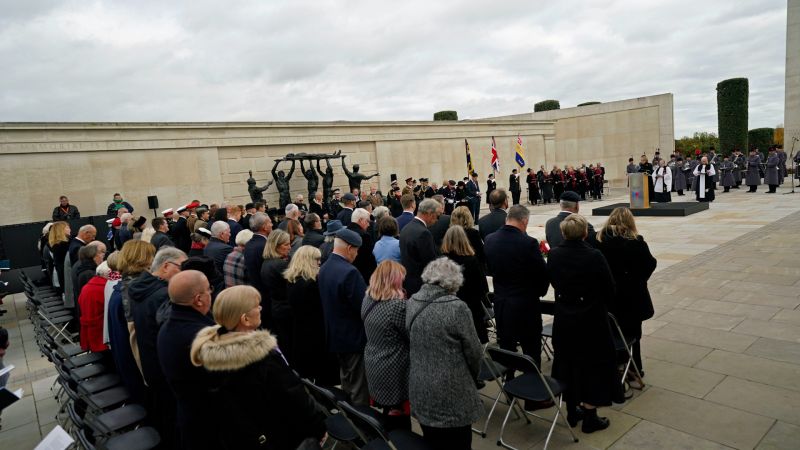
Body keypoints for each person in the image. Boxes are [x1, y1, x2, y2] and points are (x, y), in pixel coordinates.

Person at [189, 285, 327, 449]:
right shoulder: (264, 359)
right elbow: (294, 399)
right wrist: (319, 426)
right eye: (256, 306)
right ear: (245, 319)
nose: (260, 308)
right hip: (280, 436)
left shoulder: (211, 355)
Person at [547, 214, 620, 433]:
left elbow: (554, 281)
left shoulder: (554, 254)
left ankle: (572, 411)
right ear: (585, 233)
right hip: (591, 319)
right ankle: (589, 416)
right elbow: (610, 288)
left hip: (565, 317)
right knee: (592, 366)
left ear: (563, 233)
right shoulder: (594, 255)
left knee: (568, 362)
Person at [406, 257, 483, 449]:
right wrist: (473, 377)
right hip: (451, 393)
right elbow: (474, 352)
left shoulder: (412, 300)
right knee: (459, 443)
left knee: (432, 441)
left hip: (420, 387)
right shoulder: (457, 307)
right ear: (453, 282)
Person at [158, 270, 218, 449]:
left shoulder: (168, 326)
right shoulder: (200, 336)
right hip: (208, 421)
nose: (211, 293)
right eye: (208, 289)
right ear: (198, 299)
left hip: (188, 413)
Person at [484, 205, 549, 370]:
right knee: (531, 349)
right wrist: (539, 292)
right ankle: (532, 380)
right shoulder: (528, 243)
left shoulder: (490, 239)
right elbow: (542, 274)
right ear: (524, 221)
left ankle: (509, 380)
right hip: (525, 305)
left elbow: (490, 268)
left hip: (502, 303)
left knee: (507, 348)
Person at [596, 207, 656, 377]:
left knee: (612, 331)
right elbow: (650, 264)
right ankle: (634, 368)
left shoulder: (599, 241)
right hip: (632, 297)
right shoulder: (637, 243)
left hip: (609, 297)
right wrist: (640, 280)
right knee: (633, 335)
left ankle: (616, 363)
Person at [318, 229, 369, 405]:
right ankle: (360, 419)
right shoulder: (350, 272)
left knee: (346, 380)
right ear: (349, 248)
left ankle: (347, 413)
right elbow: (363, 306)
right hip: (353, 338)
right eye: (356, 250)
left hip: (335, 336)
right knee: (359, 386)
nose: (357, 254)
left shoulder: (325, 267)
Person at [362, 261, 411, 430]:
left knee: (388, 411)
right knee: (399, 418)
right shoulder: (397, 306)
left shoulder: (368, 299)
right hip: (394, 367)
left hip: (373, 362)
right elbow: (409, 334)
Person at [108, 240, 155, 407]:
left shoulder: (122, 287)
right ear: (143, 259)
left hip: (127, 365)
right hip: (139, 372)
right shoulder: (133, 293)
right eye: (152, 256)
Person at [284, 245, 339, 385]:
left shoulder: (292, 280)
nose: (319, 262)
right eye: (317, 259)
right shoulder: (311, 285)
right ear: (307, 260)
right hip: (315, 333)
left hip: (299, 330)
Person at [442, 226, 489, 343]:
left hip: (449, 305)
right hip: (471, 305)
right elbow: (480, 286)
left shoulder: (442, 261)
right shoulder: (471, 260)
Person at [399, 198, 440, 296]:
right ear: (430, 214)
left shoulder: (406, 228)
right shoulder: (423, 233)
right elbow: (430, 262)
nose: (437, 220)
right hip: (420, 285)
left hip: (408, 282)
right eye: (437, 216)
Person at [260, 229, 292, 351]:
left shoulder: (266, 262)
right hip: (286, 309)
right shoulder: (280, 265)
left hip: (276, 307)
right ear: (276, 246)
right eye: (286, 244)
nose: (289, 247)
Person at [48, 221, 71, 293]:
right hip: (66, 275)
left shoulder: (56, 244)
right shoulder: (62, 245)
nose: (70, 229)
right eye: (67, 228)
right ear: (61, 230)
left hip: (61, 274)